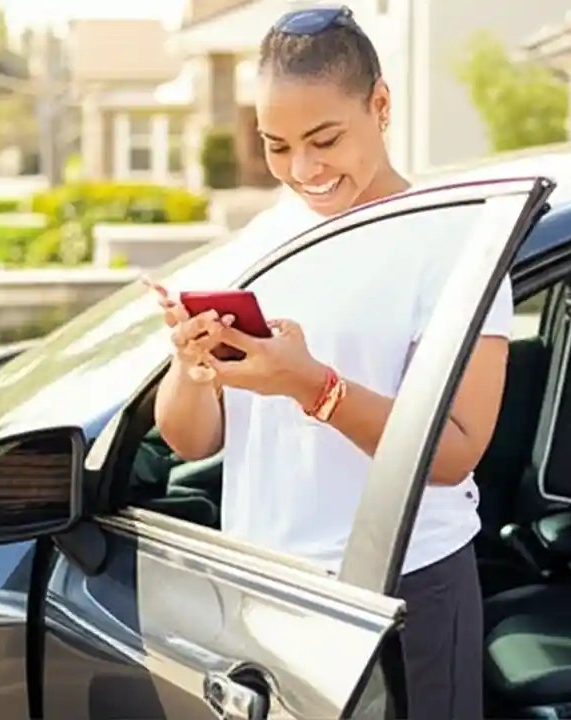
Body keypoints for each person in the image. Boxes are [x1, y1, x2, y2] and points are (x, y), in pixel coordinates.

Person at [148, 6, 512, 719]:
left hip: (402, 591)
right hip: (267, 589)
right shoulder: (267, 235)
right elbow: (191, 439)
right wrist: (188, 364)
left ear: (380, 105)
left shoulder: (456, 241)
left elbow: (455, 452)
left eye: (324, 139)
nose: (303, 170)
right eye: (277, 146)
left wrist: (311, 387)